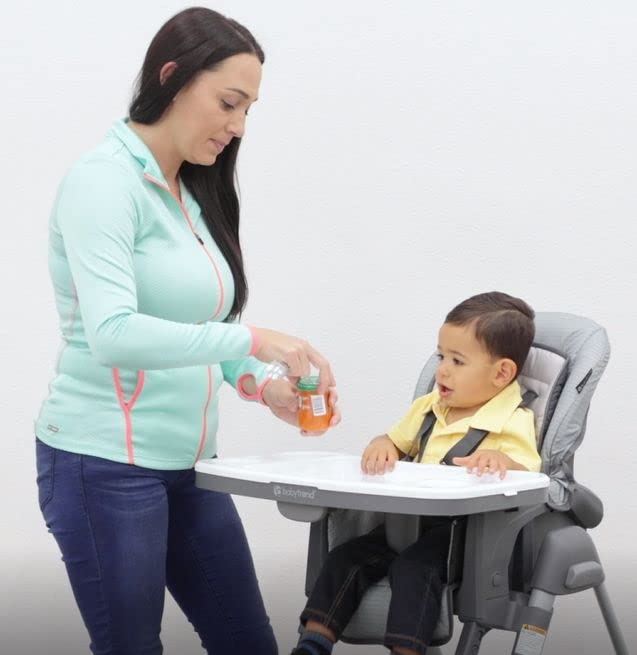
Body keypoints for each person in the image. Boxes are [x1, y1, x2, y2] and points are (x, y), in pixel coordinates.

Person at [35, 7, 340, 655]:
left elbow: (209, 324)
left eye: (249, 109)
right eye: (229, 102)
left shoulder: (191, 191)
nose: (238, 126)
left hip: (188, 466)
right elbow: (114, 333)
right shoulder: (103, 183)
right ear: (171, 76)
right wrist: (256, 341)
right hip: (103, 465)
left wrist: (264, 385)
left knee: (246, 642)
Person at [291, 291, 541, 655]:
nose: (442, 369)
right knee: (345, 558)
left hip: (461, 538)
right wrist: (383, 446)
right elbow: (395, 441)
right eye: (442, 356)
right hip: (403, 524)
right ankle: (313, 644)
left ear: (502, 372)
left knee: (413, 570)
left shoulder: (512, 420)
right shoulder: (429, 408)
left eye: (457, 361)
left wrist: (501, 461)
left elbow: (528, 470)